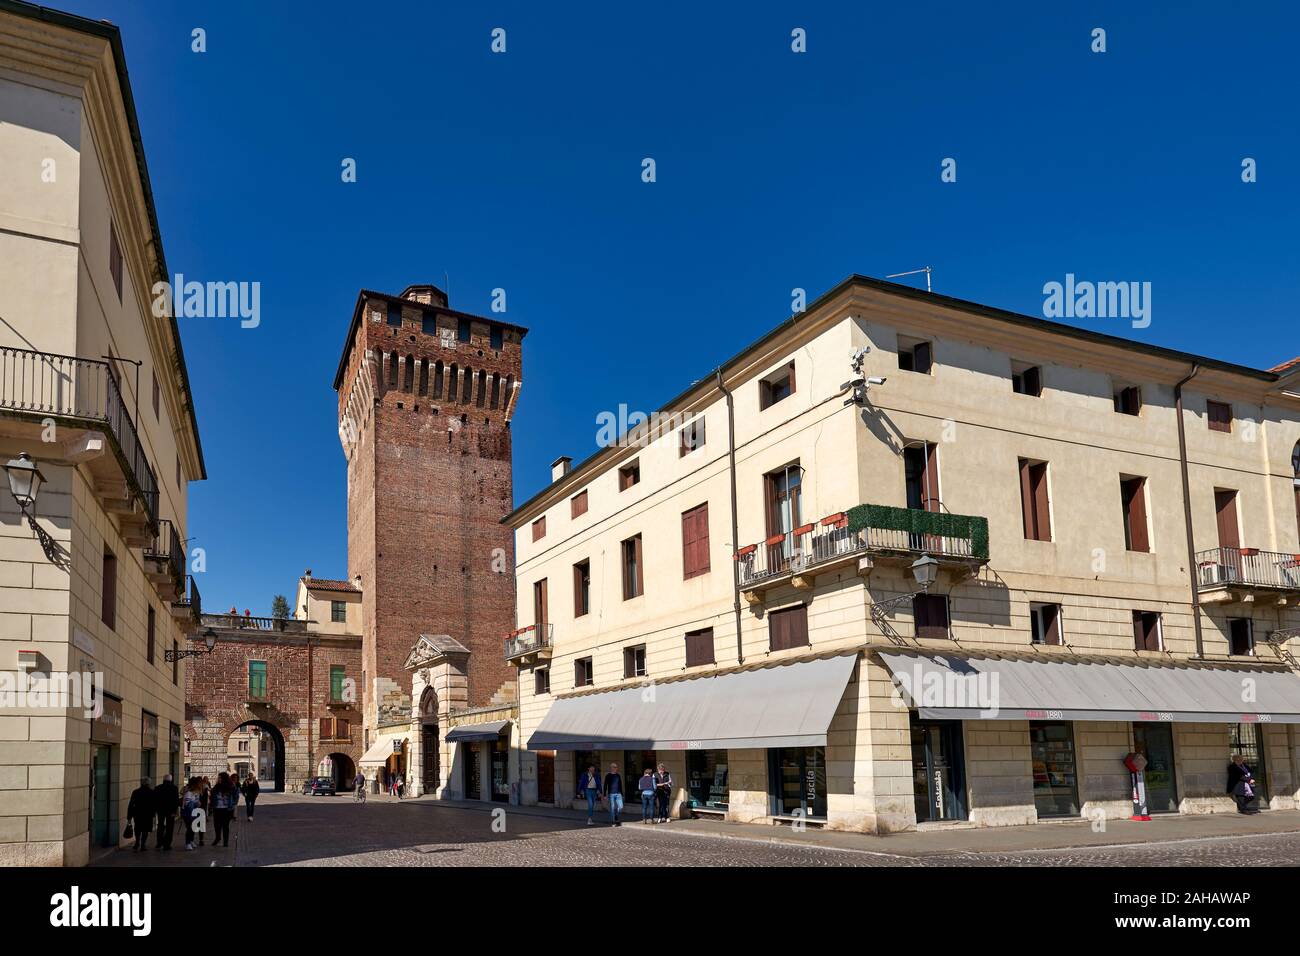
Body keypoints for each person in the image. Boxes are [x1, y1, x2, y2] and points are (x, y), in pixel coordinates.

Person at [126, 777, 155, 852]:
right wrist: (154, 814)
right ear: (149, 783)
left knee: (137, 828)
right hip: (148, 814)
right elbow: (154, 805)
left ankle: (137, 842)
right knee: (145, 829)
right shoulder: (151, 792)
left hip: (138, 813)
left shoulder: (136, 792)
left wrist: (129, 816)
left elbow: (131, 804)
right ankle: (143, 844)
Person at [153, 773, 180, 850]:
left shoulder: (158, 788)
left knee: (160, 826)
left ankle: (159, 843)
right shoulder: (174, 788)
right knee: (170, 827)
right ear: (171, 780)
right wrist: (175, 811)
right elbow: (176, 801)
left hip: (160, 810)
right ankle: (167, 844)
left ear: (163, 780)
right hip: (170, 811)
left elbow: (155, 800)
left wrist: (155, 810)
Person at [210, 772, 235, 847]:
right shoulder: (216, 787)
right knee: (217, 825)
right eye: (219, 777)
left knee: (225, 826)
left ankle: (225, 841)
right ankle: (218, 838)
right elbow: (212, 797)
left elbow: (235, 796)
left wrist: (233, 804)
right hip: (217, 808)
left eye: (220, 778)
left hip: (226, 809)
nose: (219, 779)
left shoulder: (230, 787)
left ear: (224, 779)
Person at [181, 777, 202, 850]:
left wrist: (197, 803)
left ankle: (191, 840)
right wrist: (195, 804)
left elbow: (196, 801)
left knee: (193, 828)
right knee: (189, 828)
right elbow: (187, 804)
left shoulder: (196, 793)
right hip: (188, 813)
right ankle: (187, 843)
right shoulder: (189, 793)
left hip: (194, 812)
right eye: (199, 784)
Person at [603, 762, 625, 826]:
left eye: (616, 767)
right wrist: (604, 795)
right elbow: (605, 785)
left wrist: (622, 794)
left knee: (621, 807)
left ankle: (616, 816)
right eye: (615, 767)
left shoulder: (618, 775)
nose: (616, 768)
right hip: (611, 794)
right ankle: (613, 821)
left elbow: (620, 784)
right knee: (612, 808)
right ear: (611, 768)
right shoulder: (608, 776)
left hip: (618, 793)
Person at [197, 777, 210, 846]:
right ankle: (191, 840)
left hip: (202, 810)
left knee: (201, 825)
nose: (200, 784)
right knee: (194, 826)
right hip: (196, 810)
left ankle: (201, 840)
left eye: (201, 782)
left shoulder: (205, 790)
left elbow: (205, 801)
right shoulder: (195, 791)